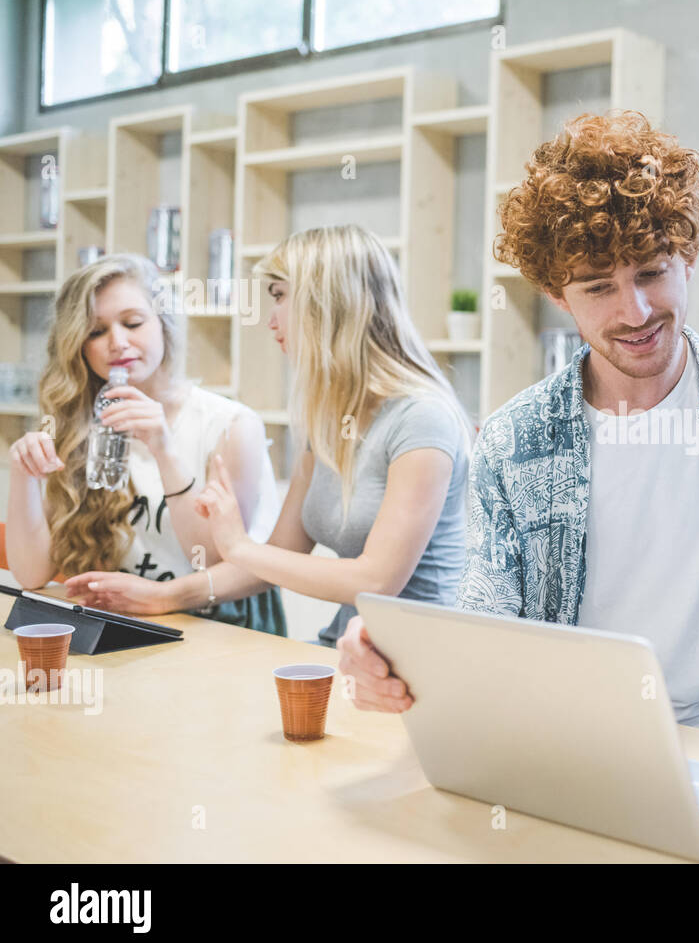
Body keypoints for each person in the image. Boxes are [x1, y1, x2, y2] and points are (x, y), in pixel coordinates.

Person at [339, 111, 699, 744]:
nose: (636, 311)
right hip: (585, 747)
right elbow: (485, 621)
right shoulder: (514, 444)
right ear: (558, 296)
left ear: (688, 259)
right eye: (599, 288)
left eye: (651, 272)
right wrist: (388, 655)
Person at [64, 225, 473, 646]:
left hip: (419, 662)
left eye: (279, 295)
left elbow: (376, 579)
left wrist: (238, 545)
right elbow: (282, 555)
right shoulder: (329, 419)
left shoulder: (423, 418)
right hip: (351, 649)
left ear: (328, 300)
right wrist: (162, 597)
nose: (270, 319)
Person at [7, 253, 286, 634]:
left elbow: (216, 561)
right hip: (120, 626)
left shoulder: (229, 425)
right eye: (95, 331)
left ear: (163, 324)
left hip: (217, 627)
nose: (117, 342)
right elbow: (31, 574)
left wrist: (163, 449)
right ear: (78, 346)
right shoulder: (78, 422)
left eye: (133, 322)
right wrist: (23, 475)